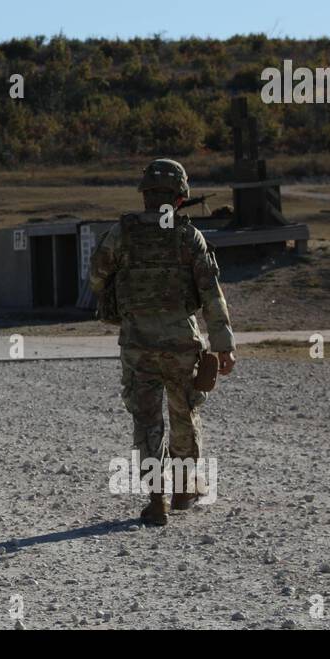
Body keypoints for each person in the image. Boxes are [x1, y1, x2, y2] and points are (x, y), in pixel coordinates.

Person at [87, 158, 236, 526]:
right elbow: (211, 293)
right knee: (184, 413)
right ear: (180, 197)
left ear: (144, 196)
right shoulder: (188, 235)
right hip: (181, 342)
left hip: (137, 343)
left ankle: (157, 500)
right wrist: (224, 343)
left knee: (147, 419)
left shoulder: (121, 233)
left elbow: (95, 277)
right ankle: (185, 489)